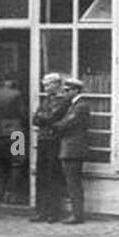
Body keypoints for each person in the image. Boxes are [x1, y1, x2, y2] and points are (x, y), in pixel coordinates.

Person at [52, 77, 90, 224]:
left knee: (73, 183)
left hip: (73, 148)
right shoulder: (74, 105)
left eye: (67, 91)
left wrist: (53, 126)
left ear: (75, 90)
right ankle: (76, 213)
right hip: (70, 147)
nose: (65, 93)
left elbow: (68, 123)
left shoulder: (80, 106)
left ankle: (77, 215)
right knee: (71, 182)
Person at [31, 73, 67, 223]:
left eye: (48, 85)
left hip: (54, 140)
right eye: (44, 85)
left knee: (53, 175)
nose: (45, 88)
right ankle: (41, 211)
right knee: (41, 176)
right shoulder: (46, 100)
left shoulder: (63, 100)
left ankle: (53, 212)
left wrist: (43, 118)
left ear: (57, 84)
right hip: (43, 139)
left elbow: (51, 117)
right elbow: (36, 119)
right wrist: (43, 118)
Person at [0, 78, 28, 204]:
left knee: (1, 165)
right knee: (17, 162)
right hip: (17, 131)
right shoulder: (17, 94)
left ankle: (0, 193)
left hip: (1, 132)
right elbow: (22, 113)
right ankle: (12, 193)